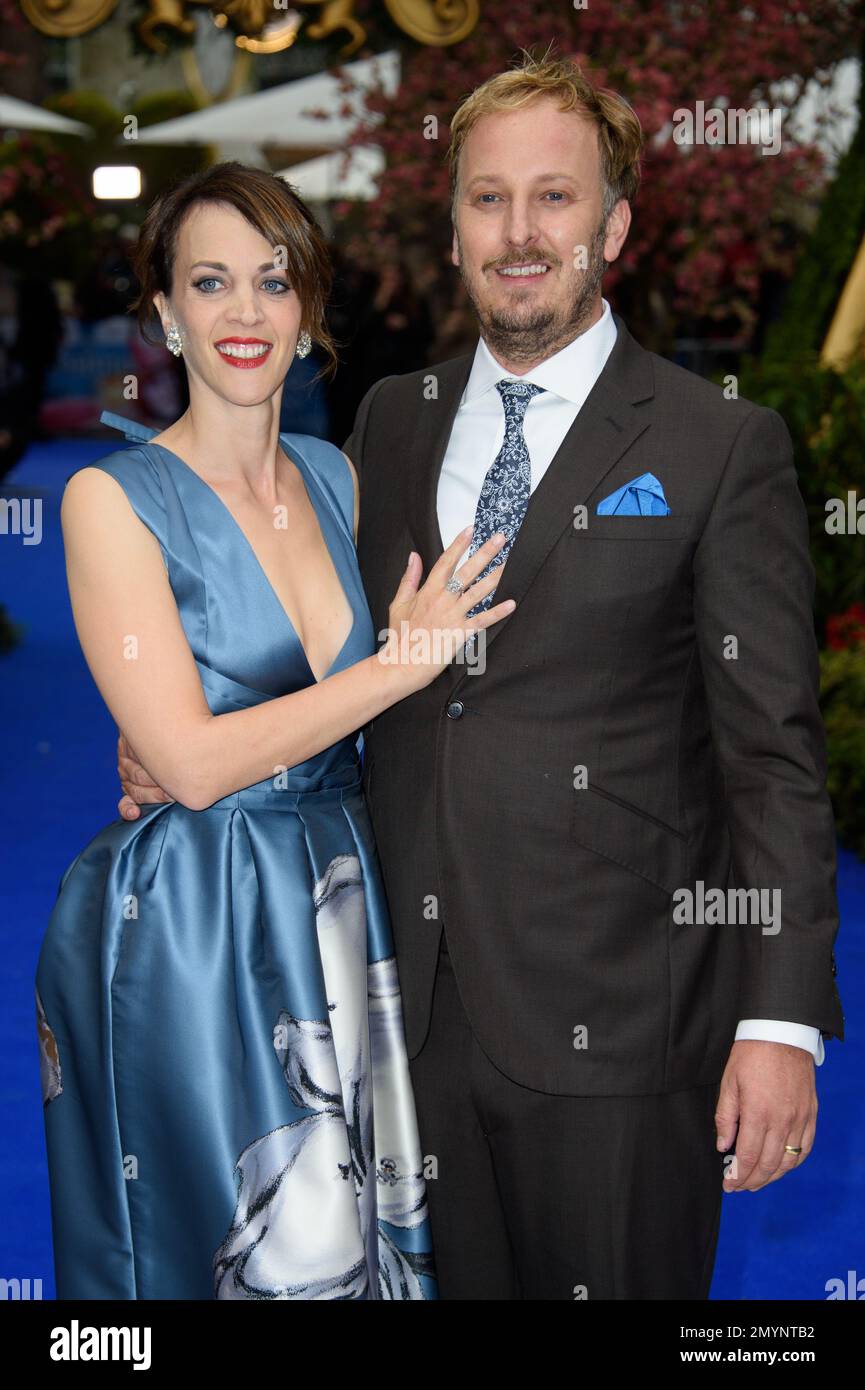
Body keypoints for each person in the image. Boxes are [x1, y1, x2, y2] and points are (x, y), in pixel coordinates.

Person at [117, 55, 846, 1300]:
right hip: (396, 1025)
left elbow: (772, 755)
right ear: (450, 224)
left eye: (554, 199)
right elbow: (343, 666)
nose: (518, 234)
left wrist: (778, 1027)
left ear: (611, 226)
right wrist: (199, 745)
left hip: (626, 1035)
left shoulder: (716, 441)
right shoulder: (388, 425)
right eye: (486, 199)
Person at [35, 161, 516, 1300]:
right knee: (232, 1246)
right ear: (163, 309)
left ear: (306, 308)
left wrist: (394, 674)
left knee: (362, 1245)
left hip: (346, 901)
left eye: (272, 280)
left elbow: (329, 715)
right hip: (193, 924)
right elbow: (194, 765)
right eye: (210, 282)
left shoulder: (336, 475)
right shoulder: (108, 499)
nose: (244, 313)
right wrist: (403, 665)